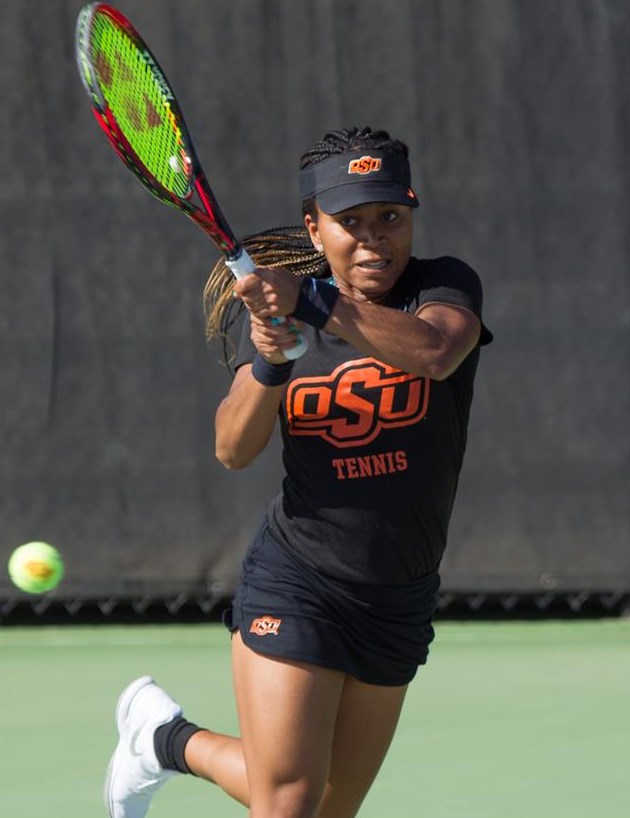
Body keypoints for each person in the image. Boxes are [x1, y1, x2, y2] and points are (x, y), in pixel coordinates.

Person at [103, 126, 491, 818]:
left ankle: (165, 741)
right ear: (314, 228)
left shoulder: (441, 285)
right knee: (288, 802)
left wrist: (312, 303)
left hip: (398, 594)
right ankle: (163, 741)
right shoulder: (277, 317)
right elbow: (231, 448)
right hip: (299, 578)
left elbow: (435, 353)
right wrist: (271, 363)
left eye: (390, 218)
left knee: (326, 808)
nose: (373, 240)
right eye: (350, 223)